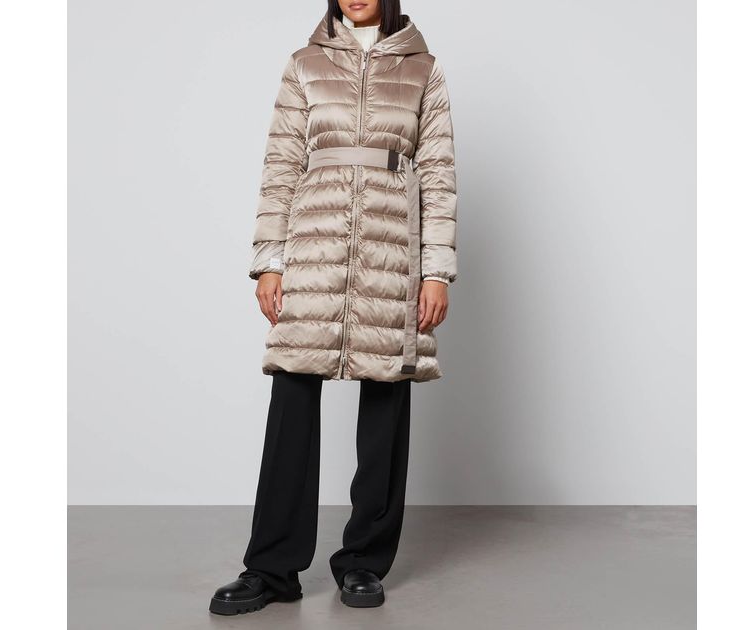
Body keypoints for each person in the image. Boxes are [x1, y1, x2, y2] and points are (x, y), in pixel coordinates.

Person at [209, 0, 458, 616]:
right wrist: (270, 259)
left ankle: (364, 563)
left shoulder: (423, 68)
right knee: (293, 397)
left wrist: (436, 271)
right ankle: (272, 568)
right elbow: (281, 164)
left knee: (386, 405)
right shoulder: (304, 64)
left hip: (391, 250)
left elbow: (438, 174)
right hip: (314, 247)